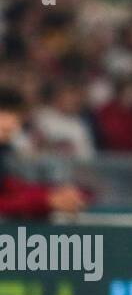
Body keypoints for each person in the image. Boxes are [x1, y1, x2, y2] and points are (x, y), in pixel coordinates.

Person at [0, 86, 88, 219]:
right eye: (11, 116)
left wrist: (55, 195)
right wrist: (47, 201)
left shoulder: (5, 149)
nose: (15, 126)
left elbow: (11, 188)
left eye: (18, 119)